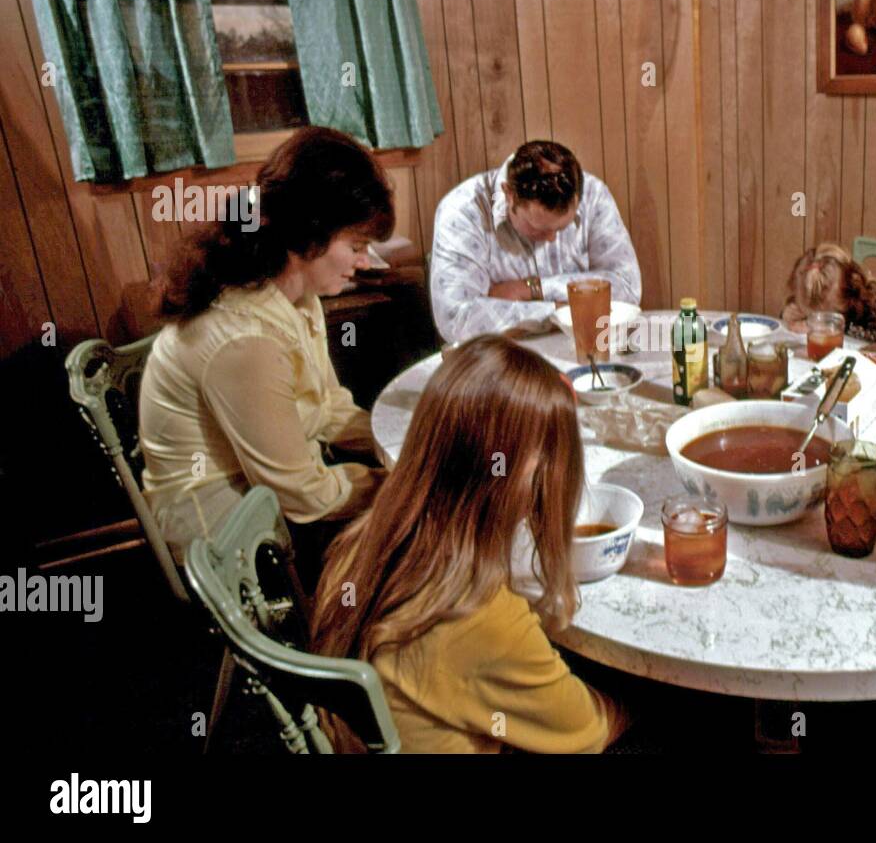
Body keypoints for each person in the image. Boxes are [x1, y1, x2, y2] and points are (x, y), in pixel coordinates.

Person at [310, 335, 631, 753]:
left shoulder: (358, 544)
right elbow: (586, 732)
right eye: (547, 454)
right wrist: (645, 698)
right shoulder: (480, 614)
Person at [139, 127, 391, 557]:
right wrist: (403, 484)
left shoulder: (297, 296)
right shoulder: (244, 337)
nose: (365, 261)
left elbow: (327, 407)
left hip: (270, 491)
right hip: (226, 533)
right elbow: (302, 494)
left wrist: (405, 441)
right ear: (310, 234)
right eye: (356, 245)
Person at [429, 140, 641, 343]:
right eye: (539, 229)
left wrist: (530, 289)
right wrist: (562, 310)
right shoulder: (462, 211)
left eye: (562, 228)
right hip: (503, 357)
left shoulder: (593, 195)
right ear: (509, 195)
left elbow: (628, 288)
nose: (552, 238)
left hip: (583, 347)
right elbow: (455, 319)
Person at [779, 242, 876, 343]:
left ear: (845, 299)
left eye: (824, 317)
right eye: (810, 314)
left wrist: (834, 327)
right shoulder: (809, 291)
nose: (817, 319)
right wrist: (787, 315)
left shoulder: (870, 299)